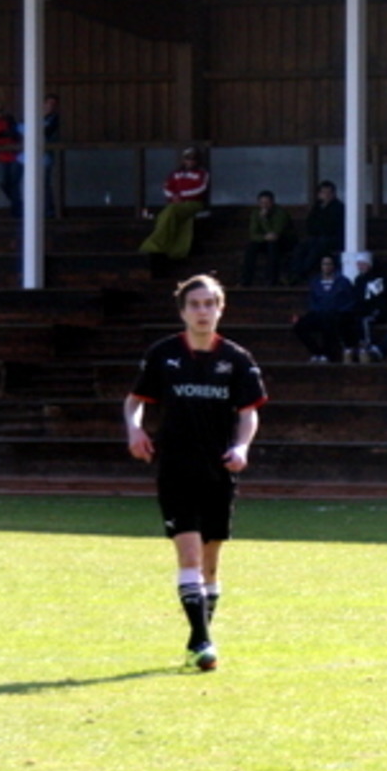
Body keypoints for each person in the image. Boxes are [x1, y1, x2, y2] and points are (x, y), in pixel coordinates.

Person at [123, 274, 266, 672]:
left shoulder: (237, 359)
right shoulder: (163, 354)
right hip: (176, 467)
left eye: (209, 304)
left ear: (220, 309)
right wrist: (134, 428)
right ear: (183, 311)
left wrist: (241, 447)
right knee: (188, 553)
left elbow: (248, 413)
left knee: (210, 562)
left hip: (217, 469)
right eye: (195, 304)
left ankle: (196, 639)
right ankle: (203, 641)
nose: (203, 311)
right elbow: (134, 401)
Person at [138, 147, 210, 264]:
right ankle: (161, 244)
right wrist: (174, 197)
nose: (190, 162)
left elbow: (201, 188)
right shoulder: (175, 174)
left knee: (171, 211)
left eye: (193, 159)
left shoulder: (202, 173)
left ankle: (156, 243)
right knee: (167, 213)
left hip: (194, 203)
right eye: (188, 159)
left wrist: (182, 196)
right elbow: (167, 187)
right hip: (175, 203)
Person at [291, 253, 357, 363]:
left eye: (329, 264)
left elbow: (349, 301)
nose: (326, 266)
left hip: (337, 314)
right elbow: (312, 300)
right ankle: (317, 352)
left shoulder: (343, 282)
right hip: (319, 313)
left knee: (329, 324)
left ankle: (328, 355)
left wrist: (339, 311)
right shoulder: (315, 282)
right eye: (324, 264)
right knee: (299, 327)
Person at [289, 180, 344, 282]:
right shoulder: (317, 207)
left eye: (329, 193)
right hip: (316, 237)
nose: (326, 195)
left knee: (317, 248)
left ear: (333, 194)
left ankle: (301, 273)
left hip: (332, 239)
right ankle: (294, 272)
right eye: (323, 192)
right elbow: (310, 223)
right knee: (300, 247)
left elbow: (332, 226)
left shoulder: (338, 207)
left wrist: (320, 228)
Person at [241, 189, 294, 287]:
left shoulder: (280, 213)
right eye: (262, 203)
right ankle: (246, 280)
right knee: (251, 248)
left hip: (283, 241)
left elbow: (276, 233)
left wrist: (264, 219)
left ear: (272, 202)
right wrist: (264, 237)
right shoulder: (255, 213)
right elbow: (253, 234)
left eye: (267, 202)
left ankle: (271, 280)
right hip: (264, 240)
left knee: (273, 247)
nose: (264, 205)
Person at [346, 251, 386, 362]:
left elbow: (380, 299)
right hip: (361, 310)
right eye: (359, 264)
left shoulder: (378, 280)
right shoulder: (358, 280)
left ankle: (367, 346)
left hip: (375, 311)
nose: (360, 267)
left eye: (363, 264)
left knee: (365, 321)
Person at [39, 93, 60, 219]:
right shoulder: (34, 116)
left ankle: (48, 209)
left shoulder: (54, 119)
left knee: (44, 181)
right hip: (30, 155)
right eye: (48, 103)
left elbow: (46, 132)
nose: (50, 106)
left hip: (46, 154)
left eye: (53, 104)